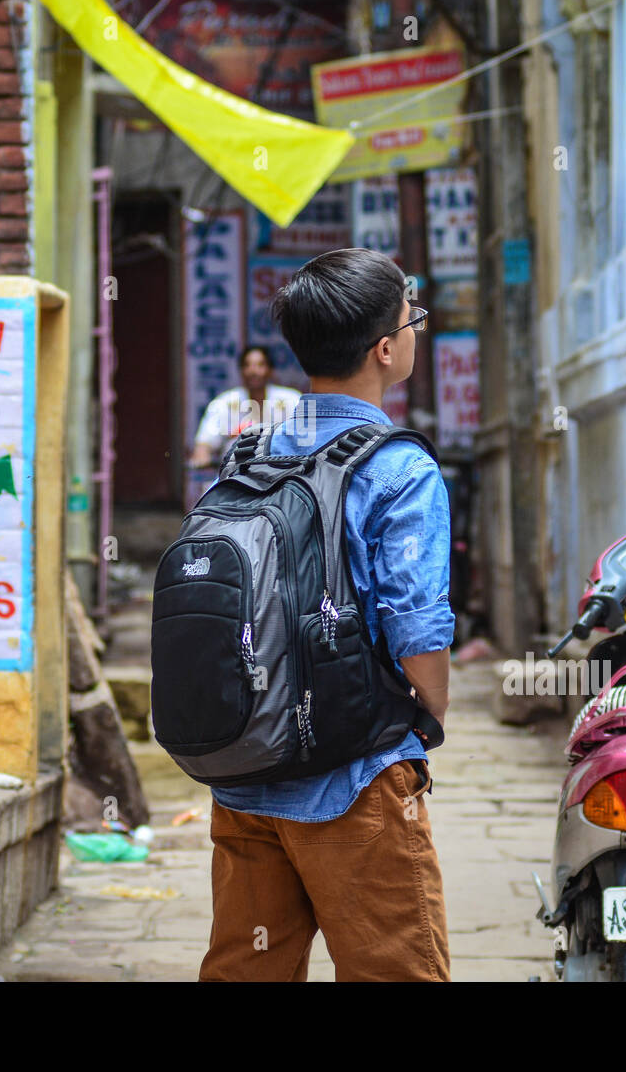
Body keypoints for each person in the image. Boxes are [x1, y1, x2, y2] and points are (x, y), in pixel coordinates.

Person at [198, 248, 452, 983]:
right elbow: (416, 625)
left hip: (244, 768)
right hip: (356, 777)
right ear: (385, 348)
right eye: (413, 321)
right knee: (394, 970)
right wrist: (427, 714)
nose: (414, 333)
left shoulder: (247, 453)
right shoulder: (399, 465)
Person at [188, 345, 302, 469]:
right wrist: (201, 456)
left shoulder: (290, 400)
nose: (253, 371)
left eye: (260, 365)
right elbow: (204, 443)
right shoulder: (225, 403)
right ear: (241, 370)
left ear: (270, 370)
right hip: (235, 476)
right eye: (248, 365)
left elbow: (306, 439)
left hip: (281, 474)